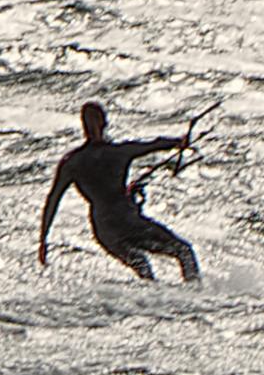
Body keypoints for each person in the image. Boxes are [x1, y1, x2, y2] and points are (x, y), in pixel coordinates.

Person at [36, 99, 202, 283]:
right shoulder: (119, 152)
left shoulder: (72, 162)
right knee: (184, 251)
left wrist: (43, 240)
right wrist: (179, 142)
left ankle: (154, 304)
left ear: (83, 125)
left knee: (143, 268)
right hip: (128, 222)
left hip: (105, 230)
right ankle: (196, 295)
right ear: (105, 123)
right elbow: (152, 144)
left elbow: (53, 200)